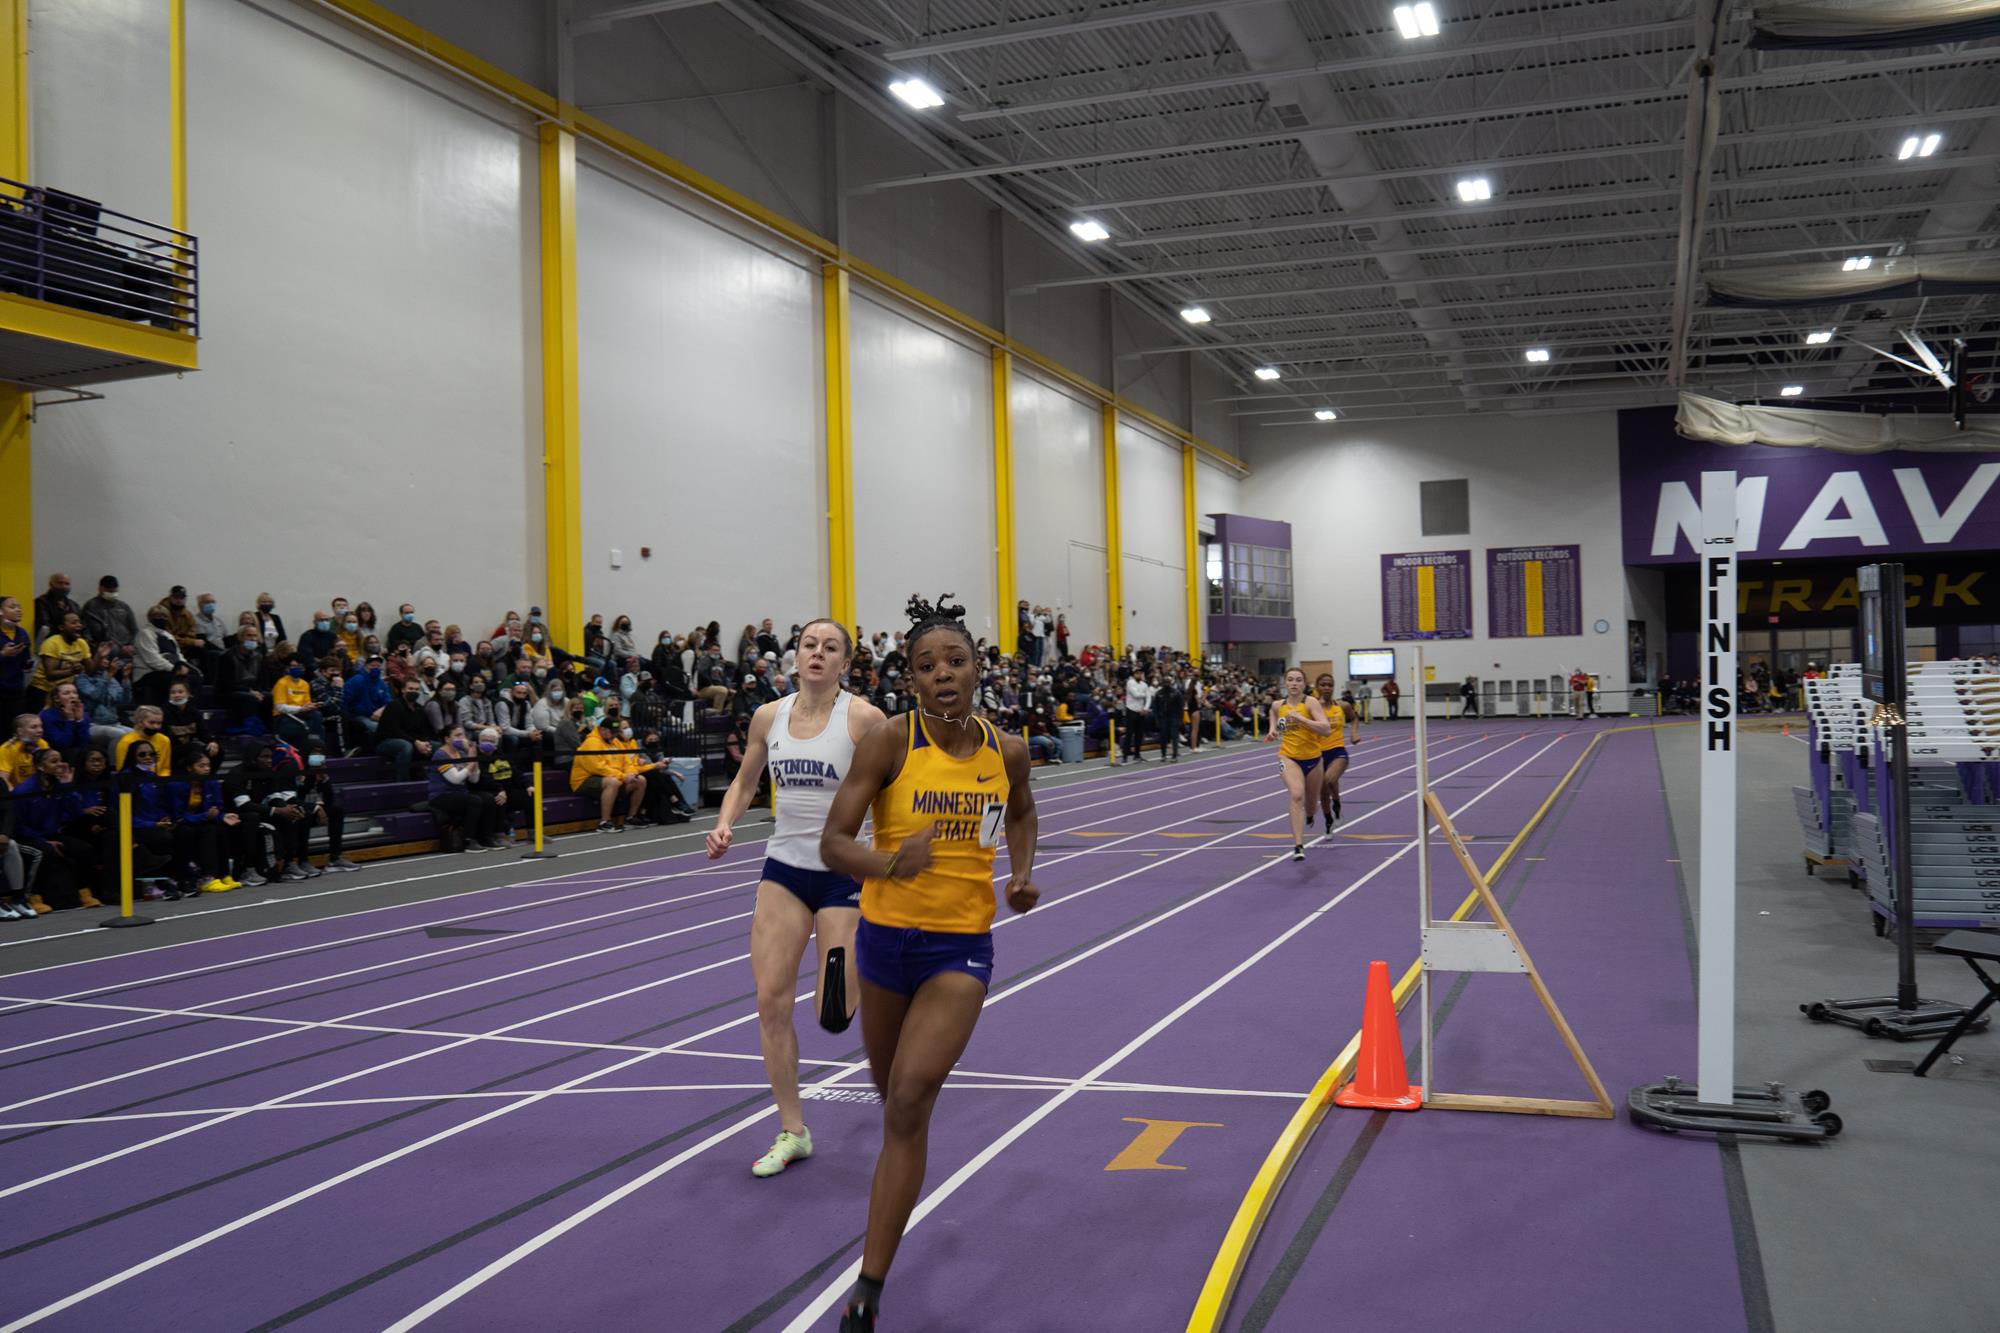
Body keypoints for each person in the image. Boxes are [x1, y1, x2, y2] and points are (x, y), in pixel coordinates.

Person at [817, 595, 1038, 1333]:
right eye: (926, 665)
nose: (943, 673)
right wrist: (889, 860)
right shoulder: (887, 741)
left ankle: (866, 1291)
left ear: (979, 668)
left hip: (958, 949)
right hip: (886, 940)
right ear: (910, 680)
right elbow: (832, 844)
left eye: (955, 660)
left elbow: (1024, 809)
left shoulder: (1007, 750)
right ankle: (845, 967)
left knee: (909, 1101)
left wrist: (1021, 872)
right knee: (892, 1106)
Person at [707, 618, 886, 1177]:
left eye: (829, 647)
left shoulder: (863, 719)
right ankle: (793, 1129)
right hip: (784, 869)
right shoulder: (770, 716)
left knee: (833, 1009)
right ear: (796, 655)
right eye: (809, 644)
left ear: (844, 664)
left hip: (841, 873)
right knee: (770, 1002)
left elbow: (892, 791)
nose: (817, 653)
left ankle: (871, 994)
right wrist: (725, 822)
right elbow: (745, 780)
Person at [1268, 667, 1331, 861]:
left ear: (1304, 684)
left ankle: (1310, 815)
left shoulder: (1310, 702)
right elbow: (1279, 724)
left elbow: (1326, 729)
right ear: (1285, 683)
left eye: (1298, 680)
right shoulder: (1278, 705)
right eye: (1290, 680)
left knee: (1311, 806)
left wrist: (1302, 719)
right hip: (1287, 758)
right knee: (1296, 794)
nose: (1294, 683)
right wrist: (1273, 732)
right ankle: (1298, 845)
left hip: (1313, 760)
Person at [570, 715, 658, 831]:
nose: (615, 735)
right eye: (612, 732)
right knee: (613, 782)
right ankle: (605, 822)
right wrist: (623, 776)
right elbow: (597, 768)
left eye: (616, 732)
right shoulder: (591, 742)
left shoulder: (615, 742)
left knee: (640, 780)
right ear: (602, 730)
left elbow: (627, 762)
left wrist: (631, 774)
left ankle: (631, 817)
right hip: (585, 780)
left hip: (611, 777)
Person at [427, 724, 503, 852]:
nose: (462, 738)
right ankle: (468, 840)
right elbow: (455, 779)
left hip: (459, 793)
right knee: (474, 801)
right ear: (447, 739)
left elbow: (474, 779)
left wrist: (474, 761)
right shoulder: (441, 755)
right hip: (441, 796)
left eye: (463, 735)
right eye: (457, 735)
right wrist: (471, 764)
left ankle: (486, 838)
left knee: (489, 799)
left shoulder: (461, 753)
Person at [1314, 674, 1357, 825]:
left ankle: (1337, 803)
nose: (1326, 688)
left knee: (1330, 781)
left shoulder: (1342, 706)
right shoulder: (1311, 708)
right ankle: (1328, 820)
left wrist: (1353, 733)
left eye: (1330, 685)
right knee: (1323, 793)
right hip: (1317, 755)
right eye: (1323, 685)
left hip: (1338, 751)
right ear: (1317, 687)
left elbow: (1354, 718)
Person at [29, 610, 91, 712]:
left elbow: (90, 671)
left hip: (64, 692)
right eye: (73, 623)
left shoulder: (81, 643)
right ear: (61, 627)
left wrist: (100, 656)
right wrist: (73, 671)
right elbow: (50, 675)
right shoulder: (52, 643)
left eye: (79, 622)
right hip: (42, 690)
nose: (78, 625)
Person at [81, 575, 138, 657]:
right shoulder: (91, 606)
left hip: (127, 645)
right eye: (110, 592)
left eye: (114, 592)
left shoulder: (123, 606)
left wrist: (131, 645)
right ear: (100, 589)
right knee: (112, 650)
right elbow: (86, 630)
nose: (113, 594)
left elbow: (134, 629)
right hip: (104, 645)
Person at [0, 596, 30, 723]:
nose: (18, 610)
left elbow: (25, 662)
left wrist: (28, 664)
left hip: (16, 689)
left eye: (19, 607)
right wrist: (3, 654)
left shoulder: (22, 633)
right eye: (12, 607)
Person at [32, 572, 78, 648]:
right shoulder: (41, 602)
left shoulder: (73, 605)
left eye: (67, 584)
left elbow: (79, 626)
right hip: (51, 646)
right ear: (50, 584)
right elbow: (45, 628)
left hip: (72, 645)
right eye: (60, 583)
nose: (64, 587)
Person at [1121, 665, 1153, 762]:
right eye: (1137, 673)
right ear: (1134, 674)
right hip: (1131, 710)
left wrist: (1146, 708)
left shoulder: (1144, 684)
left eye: (1140, 673)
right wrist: (1146, 694)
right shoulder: (1130, 682)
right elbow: (1136, 695)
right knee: (1129, 734)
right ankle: (1125, 756)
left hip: (1141, 712)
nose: (1139, 674)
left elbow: (1149, 698)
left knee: (1139, 734)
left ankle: (1137, 755)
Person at [1151, 669, 1183, 762]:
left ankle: (1174, 755)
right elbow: (1155, 708)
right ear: (1162, 683)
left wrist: (1180, 719)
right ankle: (1163, 755)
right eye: (1164, 682)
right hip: (1163, 717)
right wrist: (1156, 719)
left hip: (1174, 717)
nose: (1166, 684)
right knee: (1163, 736)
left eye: (1168, 682)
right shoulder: (1159, 693)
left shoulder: (1176, 693)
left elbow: (1180, 707)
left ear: (1171, 683)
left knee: (1174, 736)